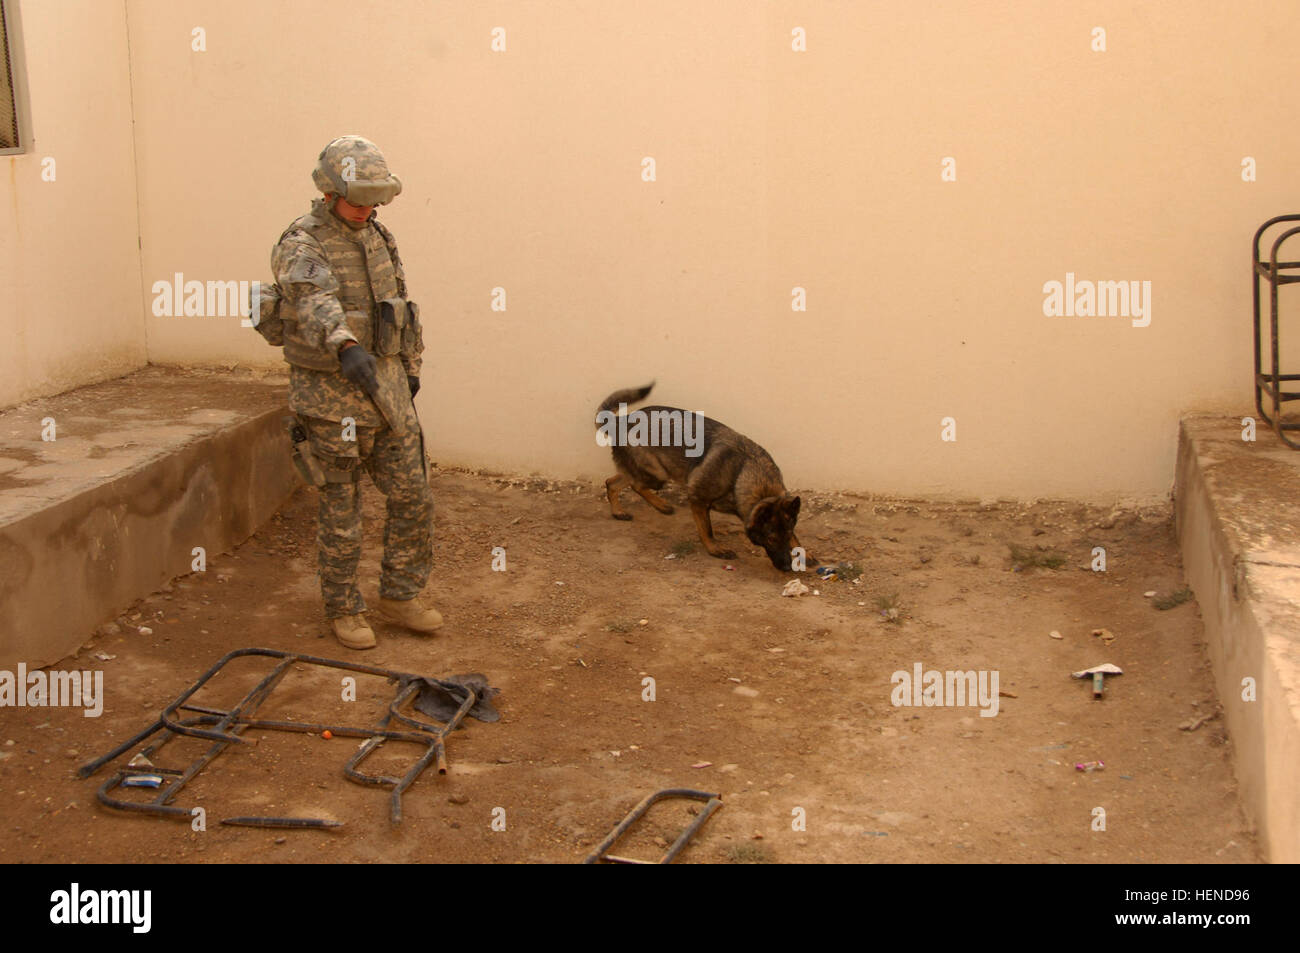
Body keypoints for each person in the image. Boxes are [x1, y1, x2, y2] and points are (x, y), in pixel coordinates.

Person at [260, 135, 440, 649]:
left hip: (387, 392)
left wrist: (410, 365)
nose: (367, 209)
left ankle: (401, 593)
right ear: (329, 191)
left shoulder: (379, 236)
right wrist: (344, 345)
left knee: (414, 495)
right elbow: (313, 300)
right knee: (342, 507)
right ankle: (344, 608)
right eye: (358, 200)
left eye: (374, 201)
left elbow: (398, 302)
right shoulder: (302, 242)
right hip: (331, 395)